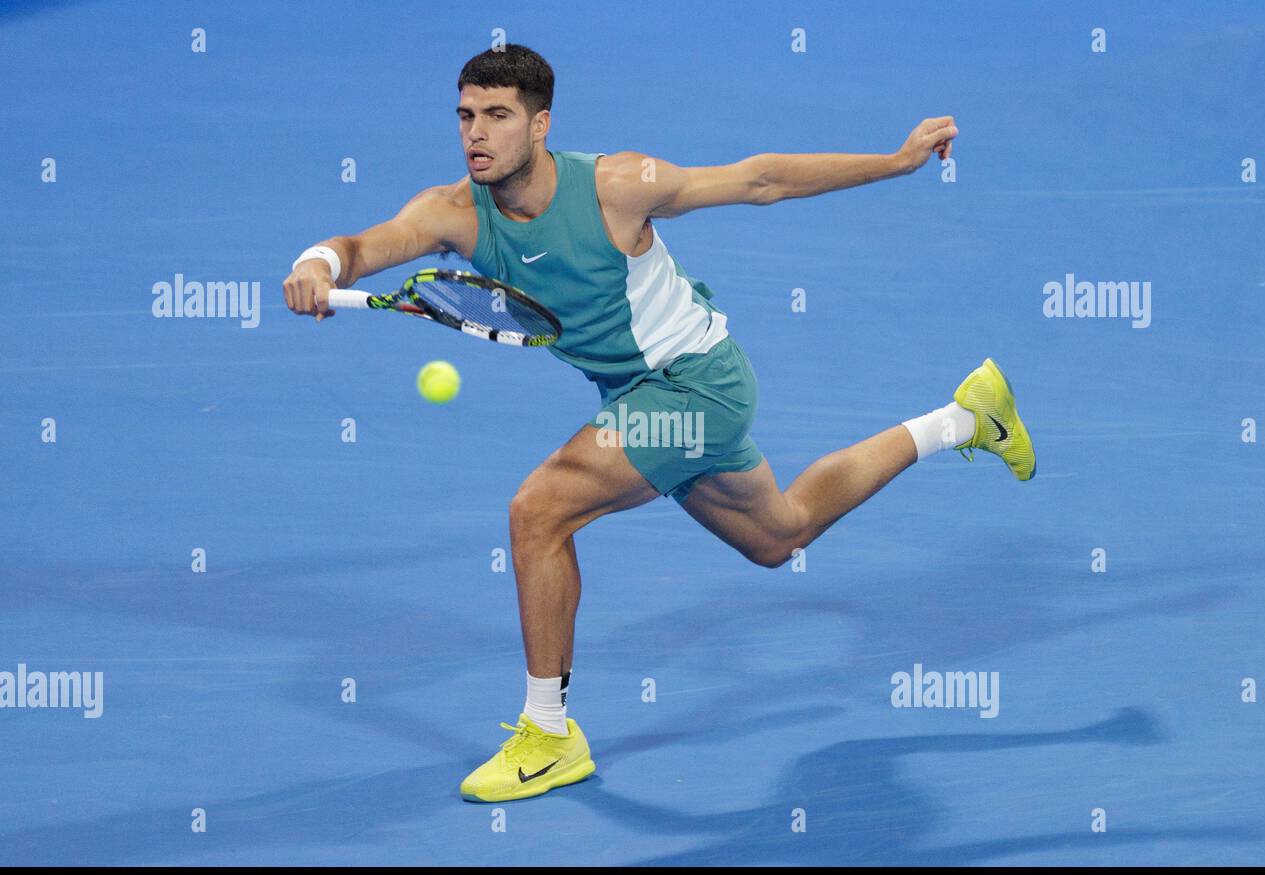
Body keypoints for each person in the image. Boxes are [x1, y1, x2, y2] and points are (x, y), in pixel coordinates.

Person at [282, 44, 1035, 803]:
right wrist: (318, 263)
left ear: (540, 125)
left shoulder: (617, 185)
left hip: (696, 388)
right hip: (637, 398)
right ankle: (963, 418)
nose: (476, 133)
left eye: (498, 116)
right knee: (781, 535)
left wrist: (896, 161)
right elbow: (361, 248)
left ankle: (549, 735)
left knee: (538, 511)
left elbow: (758, 180)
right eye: (466, 116)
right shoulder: (450, 212)